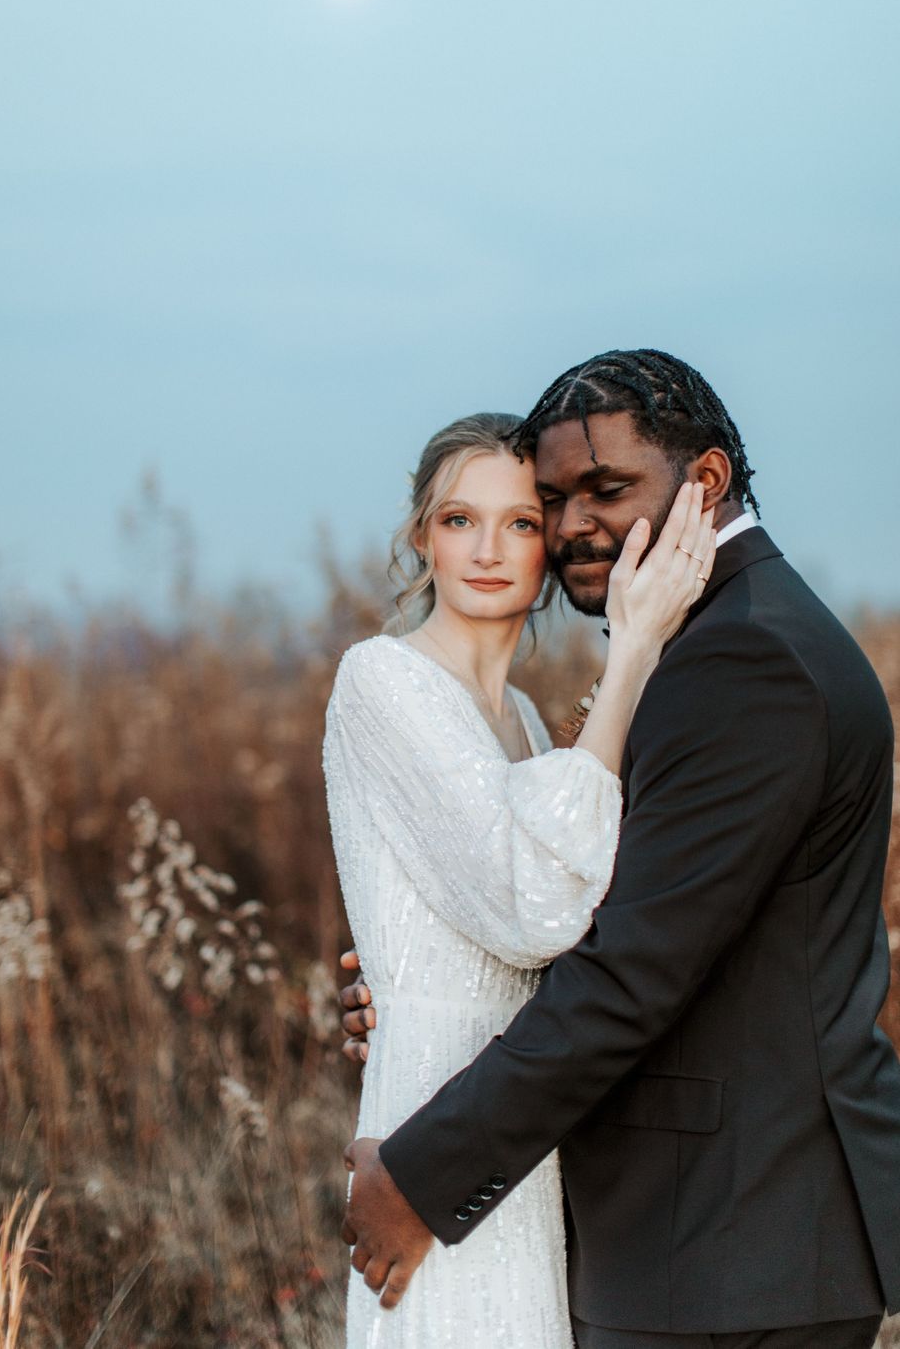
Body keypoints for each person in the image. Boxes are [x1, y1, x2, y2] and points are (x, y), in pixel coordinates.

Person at [341, 350, 900, 1349]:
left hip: (728, 1244)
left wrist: (422, 1172)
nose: (569, 529)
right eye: (549, 500)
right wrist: (421, 979)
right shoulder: (733, 632)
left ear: (706, 481)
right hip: (721, 1241)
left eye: (606, 490)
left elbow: (635, 968)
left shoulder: (743, 659)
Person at [324, 408, 715, 1349]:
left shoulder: (532, 729)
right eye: (460, 520)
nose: (488, 550)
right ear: (422, 537)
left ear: (547, 544)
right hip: (430, 1119)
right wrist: (632, 655)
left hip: (515, 1127)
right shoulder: (382, 682)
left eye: (520, 523)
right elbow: (537, 908)